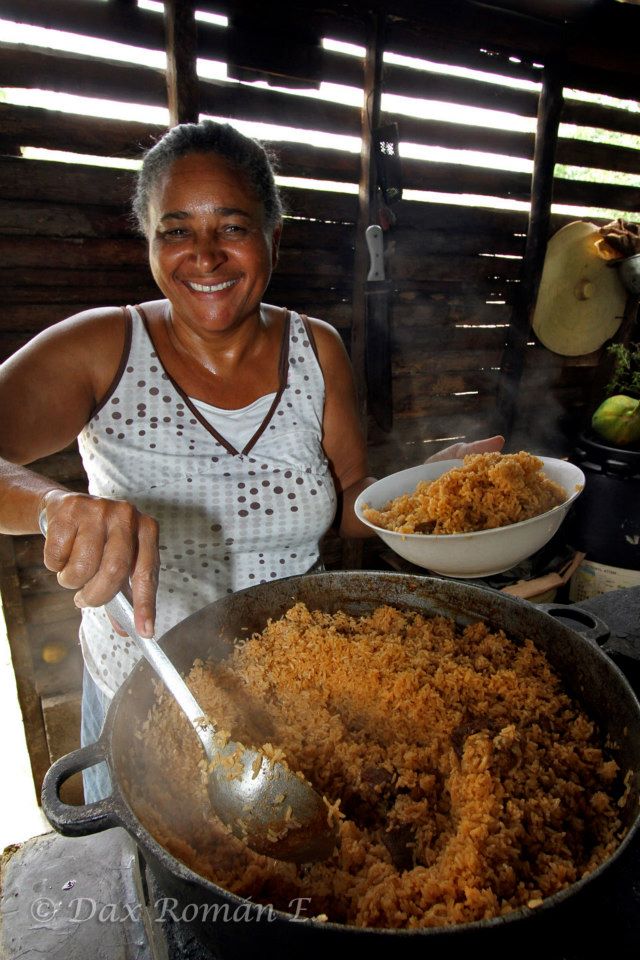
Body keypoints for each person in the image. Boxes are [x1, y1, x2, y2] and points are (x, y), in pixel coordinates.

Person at [0, 120, 503, 800]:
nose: (204, 256)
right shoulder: (102, 347)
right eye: (176, 230)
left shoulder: (317, 350)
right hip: (146, 696)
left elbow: (352, 494)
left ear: (272, 236)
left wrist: (425, 495)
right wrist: (54, 506)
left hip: (297, 689)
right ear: (149, 242)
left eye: (231, 226)